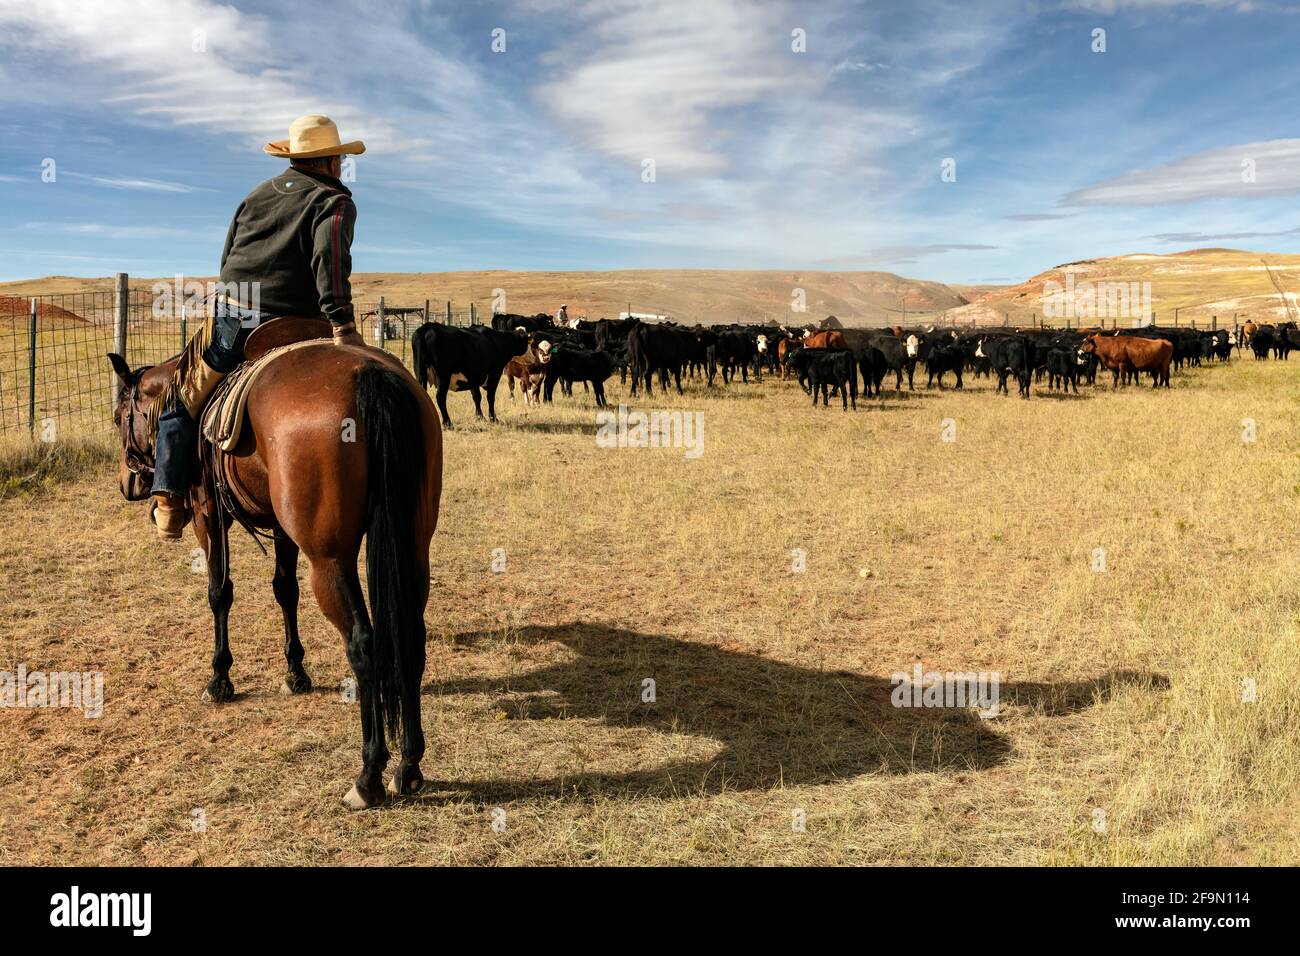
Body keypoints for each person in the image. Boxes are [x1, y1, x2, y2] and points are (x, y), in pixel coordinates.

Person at [149, 114, 367, 539]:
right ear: (332, 162)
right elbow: (330, 262)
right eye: (338, 157)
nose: (340, 165)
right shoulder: (333, 201)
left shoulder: (254, 196)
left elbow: (229, 256)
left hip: (238, 318)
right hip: (305, 324)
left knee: (182, 399)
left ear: (295, 157)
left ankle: (169, 498)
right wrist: (342, 325)